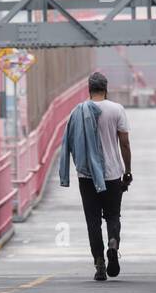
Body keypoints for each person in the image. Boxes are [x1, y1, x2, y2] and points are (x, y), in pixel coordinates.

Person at [57, 71, 133, 281]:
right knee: (112, 216)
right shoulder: (117, 109)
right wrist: (127, 170)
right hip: (112, 175)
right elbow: (124, 143)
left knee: (93, 222)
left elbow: (69, 143)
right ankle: (113, 243)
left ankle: (99, 263)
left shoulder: (77, 112)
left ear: (89, 90)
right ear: (106, 89)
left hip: (87, 176)